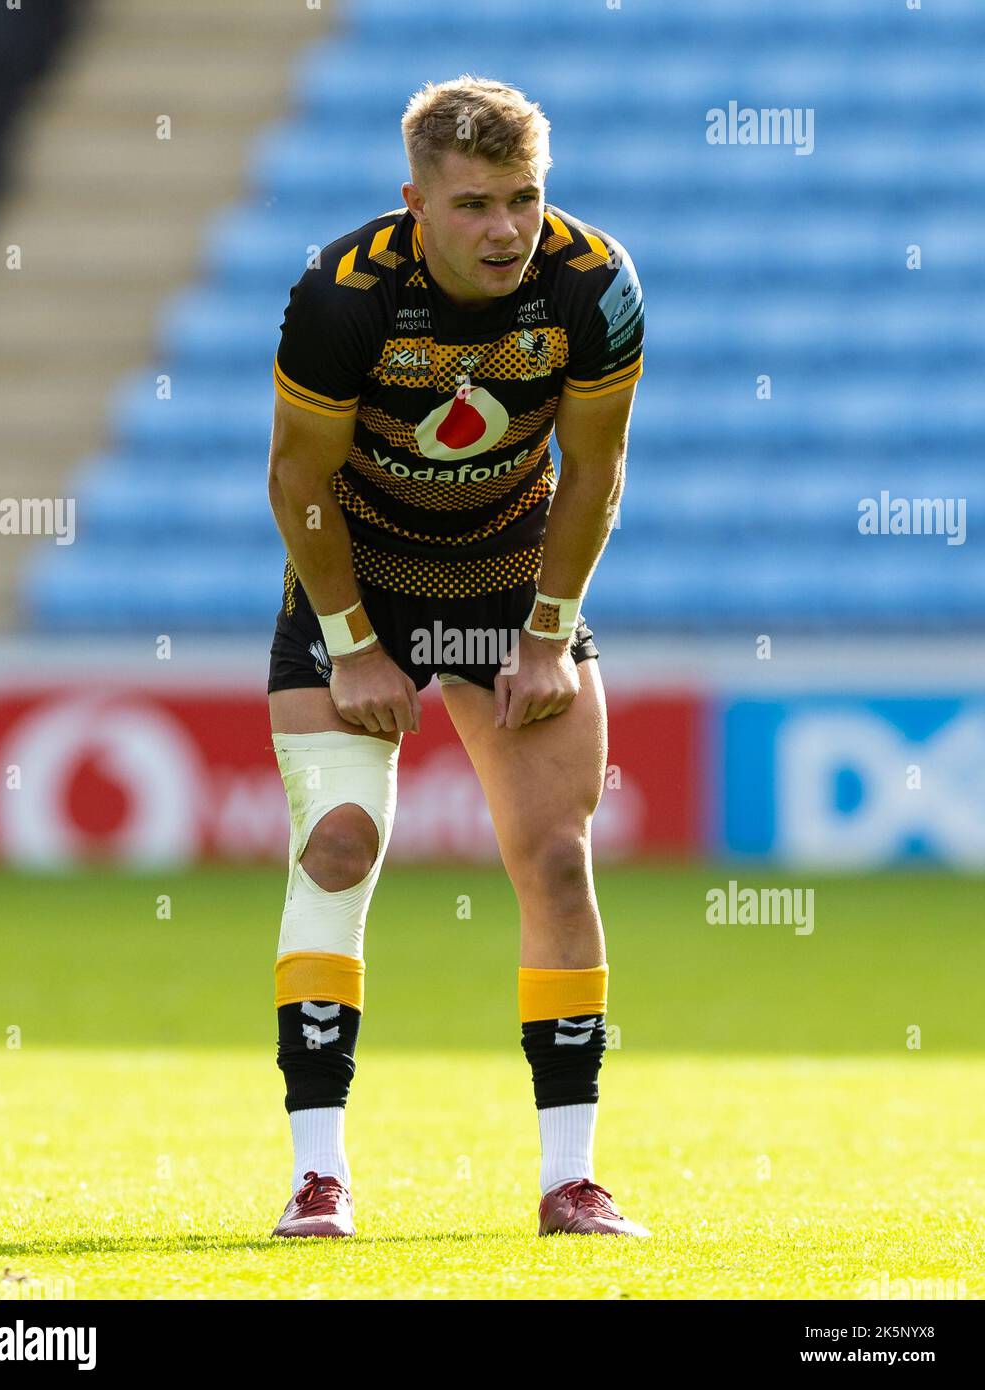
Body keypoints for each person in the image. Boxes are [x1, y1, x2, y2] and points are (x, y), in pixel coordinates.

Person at [266, 74, 646, 1238]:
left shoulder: (594, 284)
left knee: (556, 859)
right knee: (338, 844)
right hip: (360, 577)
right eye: (473, 203)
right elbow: (296, 477)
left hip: (503, 578)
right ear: (414, 203)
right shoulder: (343, 294)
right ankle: (317, 1175)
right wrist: (352, 647)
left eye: (522, 199)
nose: (503, 228)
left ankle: (568, 1180)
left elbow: (592, 474)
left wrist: (541, 632)